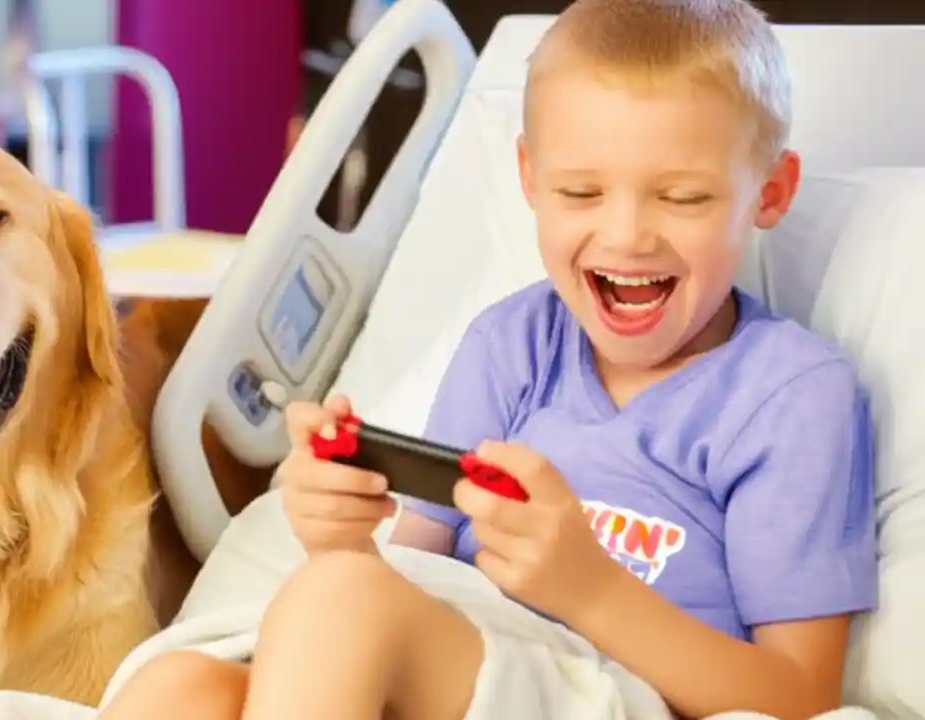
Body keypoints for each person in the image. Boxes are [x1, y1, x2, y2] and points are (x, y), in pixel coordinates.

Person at [96, 0, 879, 718]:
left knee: (341, 602)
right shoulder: (513, 345)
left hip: (613, 691)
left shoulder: (791, 396)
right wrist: (343, 533)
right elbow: (410, 578)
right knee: (182, 687)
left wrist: (590, 589)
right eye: (581, 193)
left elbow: (799, 695)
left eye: (683, 198)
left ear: (770, 194)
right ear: (530, 180)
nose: (629, 236)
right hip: (464, 662)